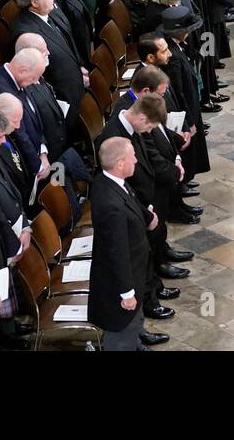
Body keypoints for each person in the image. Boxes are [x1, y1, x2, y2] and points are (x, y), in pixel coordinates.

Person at [89, 136, 171, 350]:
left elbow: (131, 199)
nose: (136, 160)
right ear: (120, 164)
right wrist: (126, 293)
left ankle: (136, 342)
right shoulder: (111, 206)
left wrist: (145, 216)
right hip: (122, 283)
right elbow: (117, 252)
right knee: (122, 334)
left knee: (134, 323)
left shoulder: (109, 181)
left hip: (137, 269)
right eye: (133, 157)